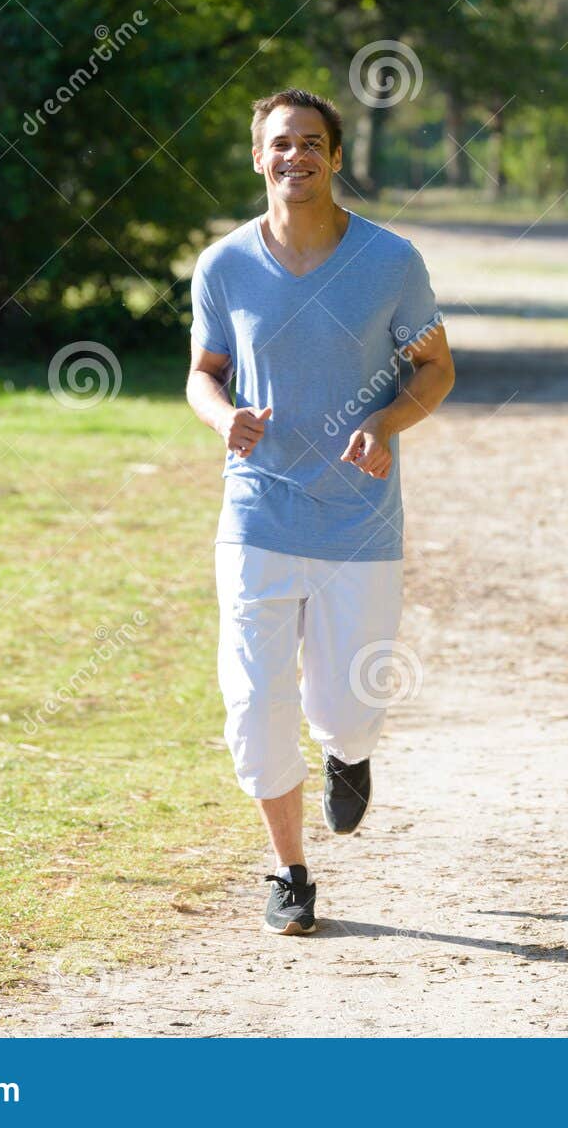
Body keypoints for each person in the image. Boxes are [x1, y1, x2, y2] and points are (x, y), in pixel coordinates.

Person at [186, 88, 454, 935]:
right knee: (255, 700)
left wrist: (384, 422)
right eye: (279, 143)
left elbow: (435, 370)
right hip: (258, 511)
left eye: (311, 143)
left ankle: (349, 752)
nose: (295, 155)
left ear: (335, 158)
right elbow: (204, 371)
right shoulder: (223, 264)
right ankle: (289, 871)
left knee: (343, 702)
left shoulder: (390, 260)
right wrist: (223, 415)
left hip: (359, 520)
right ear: (257, 157)